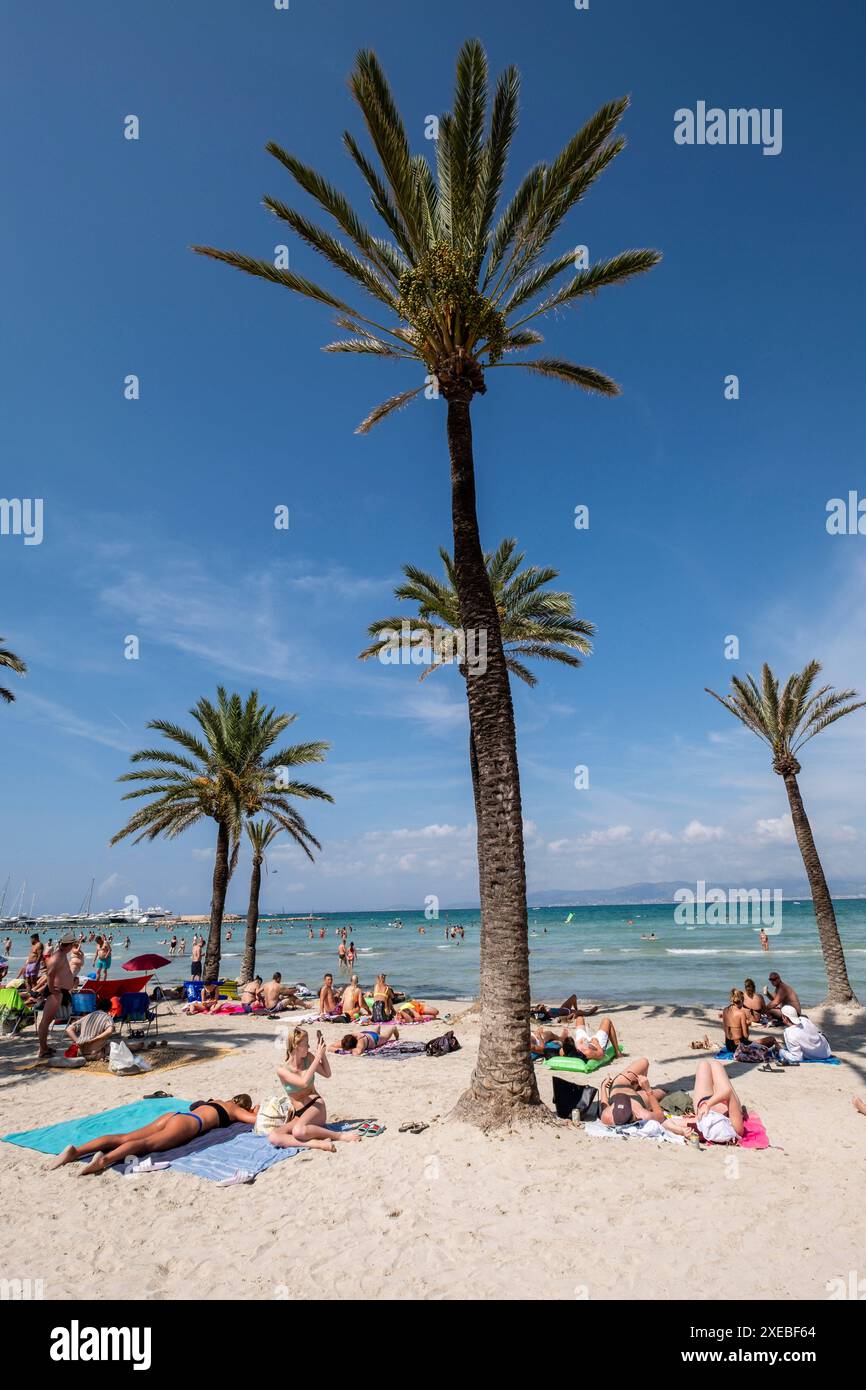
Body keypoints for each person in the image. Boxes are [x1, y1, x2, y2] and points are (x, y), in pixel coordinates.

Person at [49, 1096, 259, 1175]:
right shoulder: (233, 1109)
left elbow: (196, 1104)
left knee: (125, 1136)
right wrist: (254, 1113)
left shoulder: (217, 1100)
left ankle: (76, 1151)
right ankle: (105, 1159)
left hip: (175, 1115)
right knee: (144, 1145)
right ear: (244, 1106)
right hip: (189, 1124)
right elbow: (254, 1121)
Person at [269, 1028, 360, 1152]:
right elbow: (303, 1082)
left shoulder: (309, 1058)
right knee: (274, 1137)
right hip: (298, 1114)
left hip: (315, 1105)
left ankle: (340, 1136)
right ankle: (316, 1144)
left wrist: (322, 1055)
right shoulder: (282, 1070)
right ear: (296, 1046)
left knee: (298, 1131)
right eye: (306, 1043)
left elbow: (327, 1073)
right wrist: (317, 1057)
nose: (309, 1046)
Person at [37, 933, 77, 1060]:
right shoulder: (58, 956)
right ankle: (42, 1050)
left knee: (46, 1021)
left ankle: (44, 1047)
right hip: (56, 992)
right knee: (45, 1022)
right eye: (73, 944)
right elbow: (49, 973)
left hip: (59, 991)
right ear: (69, 945)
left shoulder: (62, 954)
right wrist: (52, 989)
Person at [598, 1059, 668, 1127]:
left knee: (644, 1062)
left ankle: (638, 1086)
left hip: (619, 1085)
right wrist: (648, 1089)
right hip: (639, 1099)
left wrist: (603, 1086)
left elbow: (604, 1103)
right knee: (662, 1093)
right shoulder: (643, 1115)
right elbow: (660, 1117)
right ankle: (640, 1086)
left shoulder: (606, 1117)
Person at [330, 1023, 400, 1055]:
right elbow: (329, 1047)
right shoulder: (346, 1040)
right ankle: (377, 1027)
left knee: (386, 1037)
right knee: (373, 1032)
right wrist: (339, 1050)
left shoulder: (360, 1042)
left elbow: (358, 1052)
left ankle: (393, 1028)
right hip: (366, 1034)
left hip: (375, 1038)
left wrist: (348, 1050)